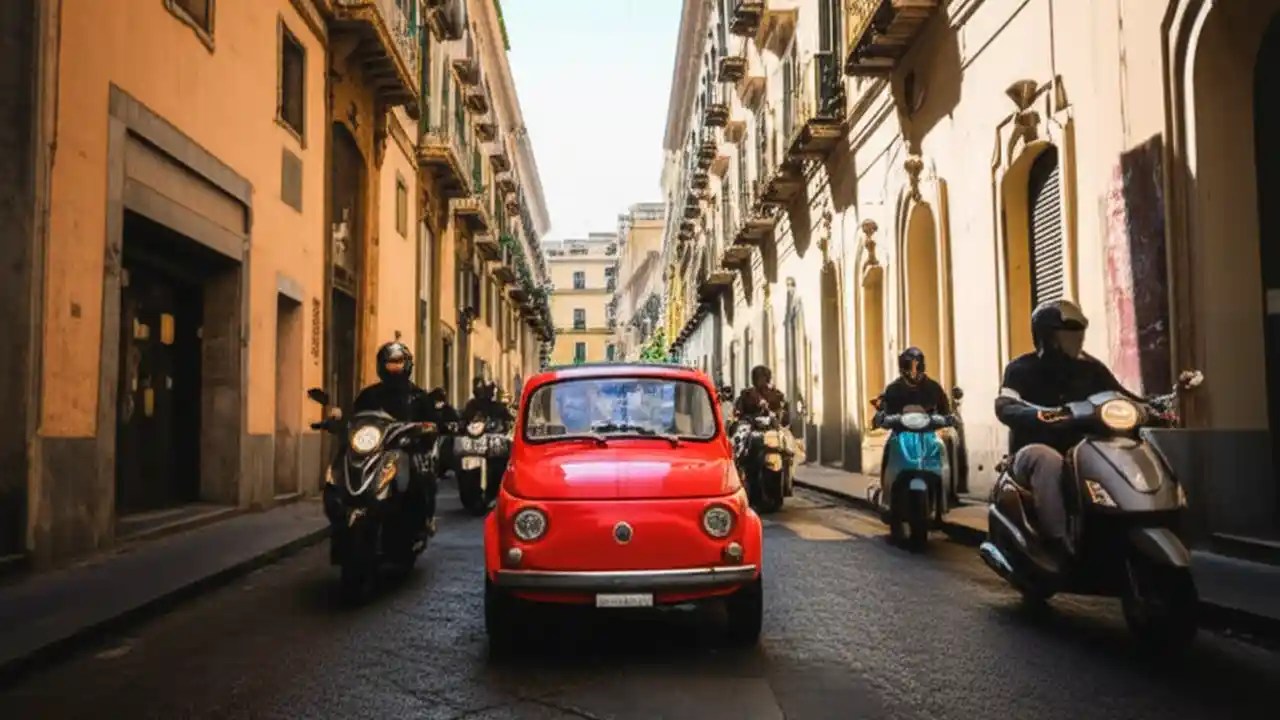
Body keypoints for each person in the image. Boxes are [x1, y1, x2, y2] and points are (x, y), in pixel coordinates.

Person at [994, 299, 1138, 566]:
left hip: (1085, 448)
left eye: (1077, 333)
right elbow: (1005, 403)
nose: (1073, 340)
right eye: (1065, 333)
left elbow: (1121, 395)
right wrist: (1035, 415)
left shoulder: (1092, 369)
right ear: (1045, 336)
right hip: (1034, 448)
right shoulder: (1021, 368)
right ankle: (1059, 541)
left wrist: (1153, 406)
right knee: (1048, 460)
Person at [352, 339, 439, 539]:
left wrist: (426, 429)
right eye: (389, 362)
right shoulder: (369, 395)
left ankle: (421, 521)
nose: (394, 367)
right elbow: (355, 417)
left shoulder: (417, 396)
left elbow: (433, 422)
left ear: (407, 364)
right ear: (381, 365)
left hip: (406, 450)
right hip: (374, 451)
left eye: (398, 362)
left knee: (420, 476)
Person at [873, 347, 951, 425]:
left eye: (917, 367)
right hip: (900, 433)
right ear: (902, 370)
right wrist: (880, 415)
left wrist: (948, 423)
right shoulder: (893, 390)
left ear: (922, 367)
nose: (914, 373)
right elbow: (885, 413)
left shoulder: (934, 388)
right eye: (909, 368)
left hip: (930, 433)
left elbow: (946, 412)